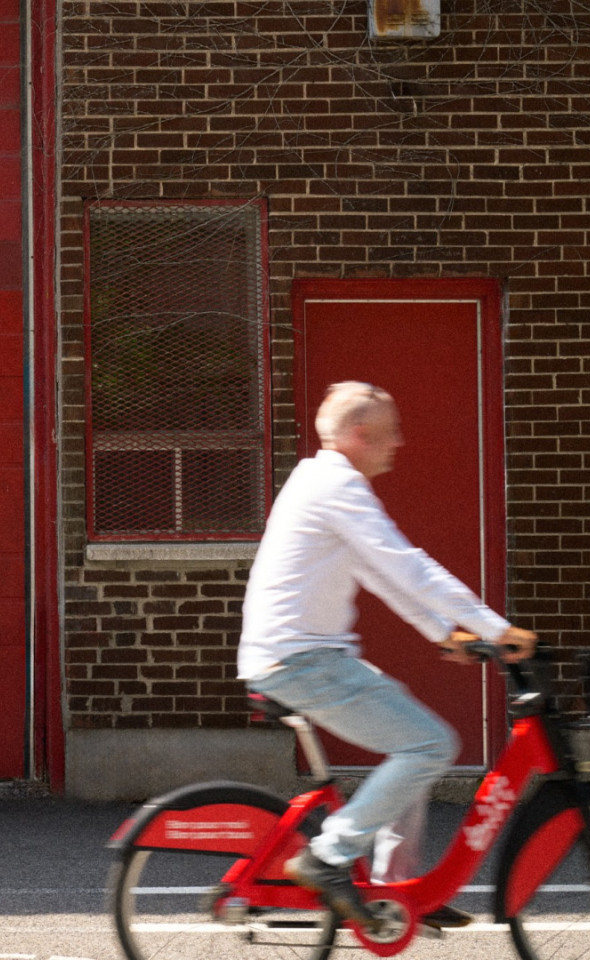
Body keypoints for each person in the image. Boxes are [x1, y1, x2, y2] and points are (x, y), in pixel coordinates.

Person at [239, 382, 537, 929]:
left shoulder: (320, 480)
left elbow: (378, 571)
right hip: (301, 661)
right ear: (359, 435)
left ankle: (397, 890)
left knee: (412, 739)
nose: (399, 442)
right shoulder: (337, 486)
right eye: (390, 432)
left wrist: (442, 632)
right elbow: (408, 565)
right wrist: (497, 626)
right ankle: (328, 856)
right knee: (429, 744)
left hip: (304, 656)